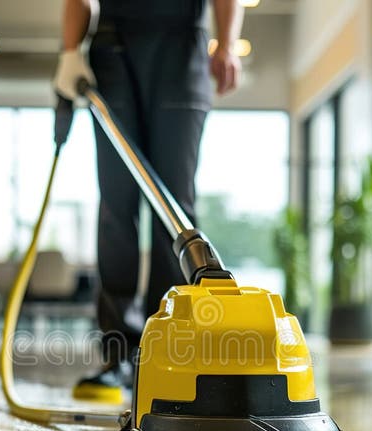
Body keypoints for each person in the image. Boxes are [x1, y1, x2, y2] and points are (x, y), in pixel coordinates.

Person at [53, 0, 244, 401]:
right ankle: (118, 357)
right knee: (116, 208)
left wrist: (226, 44)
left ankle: (164, 350)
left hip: (182, 49)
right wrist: (70, 51)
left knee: (172, 207)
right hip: (114, 49)